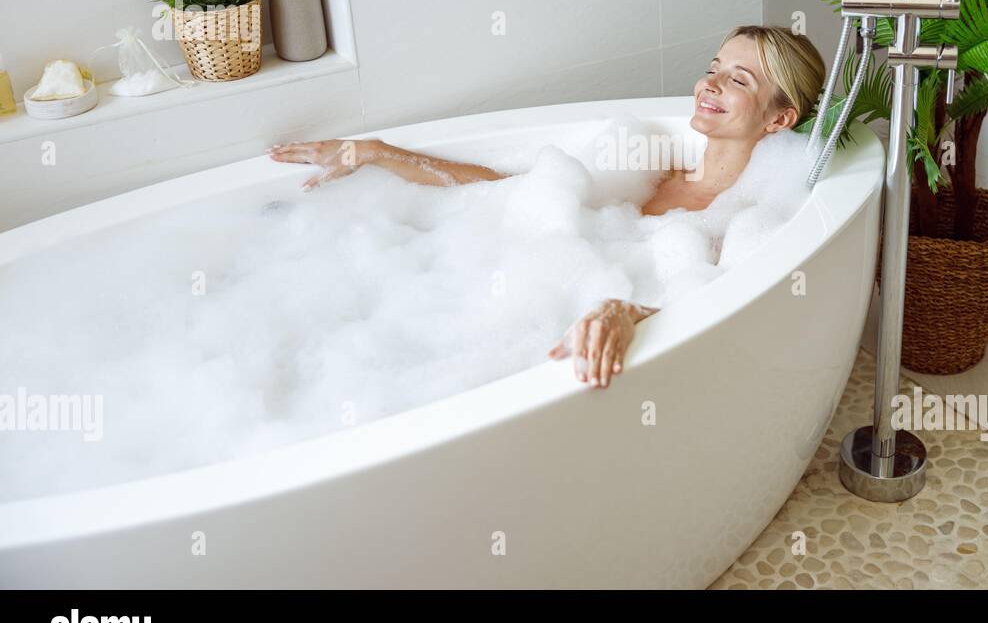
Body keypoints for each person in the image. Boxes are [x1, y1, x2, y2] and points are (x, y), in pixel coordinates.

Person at [269, 26, 825, 389]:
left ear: (779, 120)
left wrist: (624, 311)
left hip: (566, 347)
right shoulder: (645, 170)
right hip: (503, 310)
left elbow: (728, 308)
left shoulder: (750, 217)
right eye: (714, 66)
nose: (710, 83)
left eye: (738, 79)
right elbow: (508, 188)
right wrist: (377, 152)